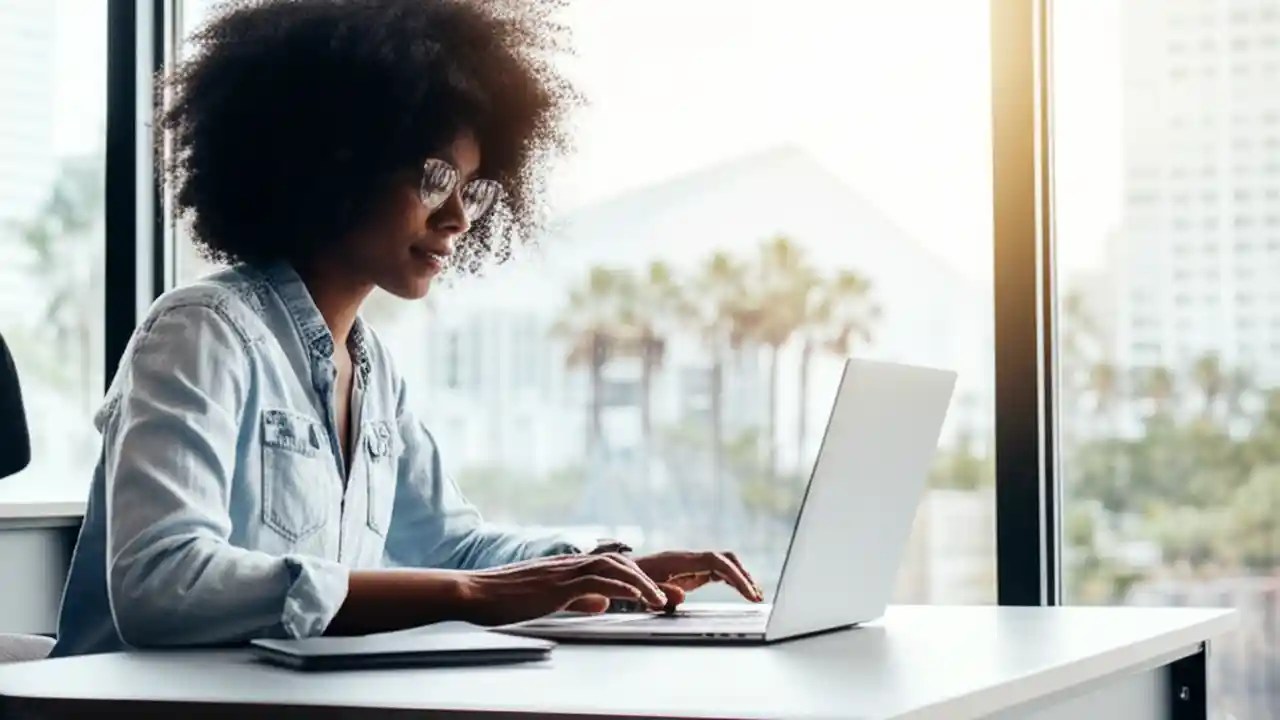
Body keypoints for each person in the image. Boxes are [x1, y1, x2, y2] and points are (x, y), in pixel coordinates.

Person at [51, 0, 761, 657]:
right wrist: (469, 597)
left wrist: (602, 567)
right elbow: (160, 584)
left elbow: (455, 548)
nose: (457, 218)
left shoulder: (375, 372)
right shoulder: (200, 333)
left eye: (474, 190)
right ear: (334, 164)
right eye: (433, 178)